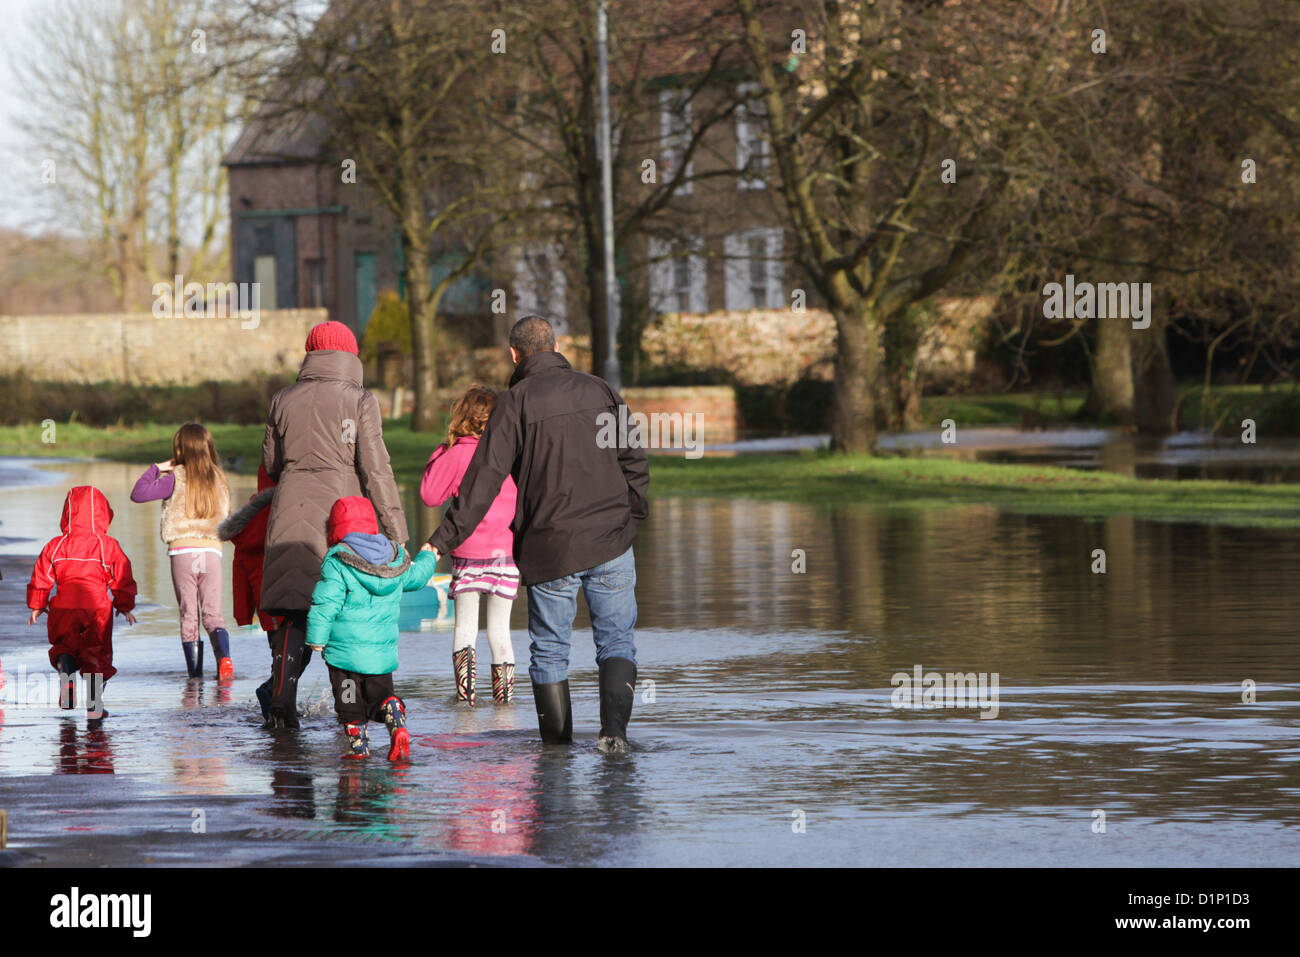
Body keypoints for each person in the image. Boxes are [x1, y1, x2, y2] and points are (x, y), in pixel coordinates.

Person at [426, 316, 649, 752]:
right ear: (557, 344)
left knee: (549, 651)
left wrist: (441, 542)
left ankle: (557, 753)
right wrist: (630, 521)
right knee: (618, 641)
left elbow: (481, 485)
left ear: (515, 354)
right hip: (612, 541)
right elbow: (635, 463)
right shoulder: (600, 390)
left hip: (550, 549)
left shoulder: (514, 404)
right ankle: (614, 736)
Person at [260, 320, 409, 729]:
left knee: (293, 610)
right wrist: (397, 535)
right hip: (343, 519)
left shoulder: (282, 399)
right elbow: (377, 471)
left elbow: (272, 464)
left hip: (289, 510)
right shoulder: (360, 400)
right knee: (340, 609)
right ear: (350, 355)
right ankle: (353, 714)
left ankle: (280, 698)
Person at [306, 496, 438, 760]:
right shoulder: (394, 558)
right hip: (381, 655)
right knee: (381, 695)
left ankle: (358, 747)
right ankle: (394, 713)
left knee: (349, 703)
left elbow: (326, 602)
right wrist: (428, 556)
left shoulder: (337, 560)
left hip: (344, 656)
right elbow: (416, 576)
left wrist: (316, 639)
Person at [421, 386, 519, 705]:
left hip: (469, 555)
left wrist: (441, 451)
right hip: (506, 554)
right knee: (500, 631)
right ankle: (504, 703)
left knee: (465, 627)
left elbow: (430, 495)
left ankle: (467, 700)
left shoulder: (458, 453)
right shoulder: (508, 453)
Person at [26, 486, 138, 724]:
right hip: (97, 606)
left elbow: (42, 575)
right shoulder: (107, 545)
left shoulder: (57, 545)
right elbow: (122, 576)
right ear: (102, 514)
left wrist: (38, 603)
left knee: (64, 645)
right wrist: (124, 604)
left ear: (67, 513)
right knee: (96, 653)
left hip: (64, 606)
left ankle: (66, 667)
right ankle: (94, 707)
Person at [131, 423, 232, 679]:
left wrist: (157, 468)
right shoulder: (219, 478)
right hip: (211, 553)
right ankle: (225, 659)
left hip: (183, 552)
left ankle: (195, 675)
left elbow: (139, 494)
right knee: (213, 613)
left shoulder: (175, 478)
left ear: (180, 449)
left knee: (189, 615)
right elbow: (228, 515)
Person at [217, 465, 281, 719]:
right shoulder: (295, 509)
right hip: (297, 600)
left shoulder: (250, 518)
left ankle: (91, 713)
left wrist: (244, 614)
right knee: (294, 655)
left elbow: (239, 569)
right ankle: (277, 705)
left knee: (282, 654)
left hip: (267, 604)